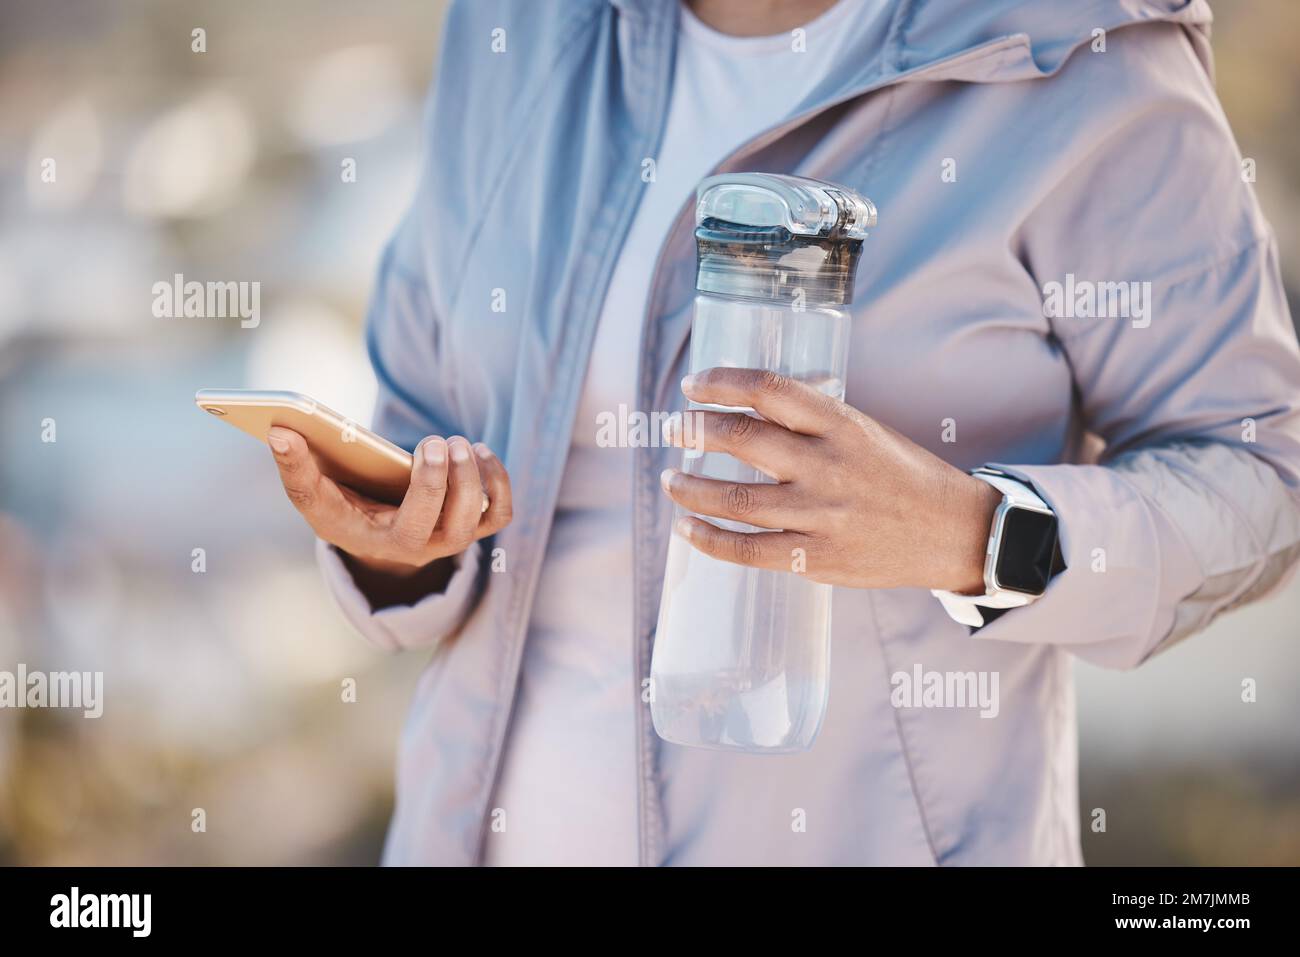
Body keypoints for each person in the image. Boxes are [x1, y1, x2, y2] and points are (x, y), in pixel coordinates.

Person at [263, 0, 1300, 865]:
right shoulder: (517, 26)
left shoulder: (1080, 58)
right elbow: (423, 412)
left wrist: (973, 533)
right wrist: (395, 540)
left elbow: (1260, 473)